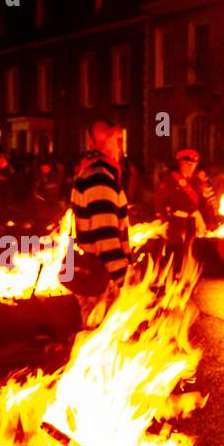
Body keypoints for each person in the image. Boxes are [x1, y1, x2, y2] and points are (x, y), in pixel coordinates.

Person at [70, 118, 133, 310]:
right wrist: (126, 282)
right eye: (105, 137)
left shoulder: (94, 173)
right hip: (103, 285)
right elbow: (105, 240)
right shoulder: (99, 177)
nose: (116, 146)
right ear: (91, 143)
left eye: (114, 138)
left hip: (98, 280)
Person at [155, 149, 213, 256]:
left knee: (190, 255)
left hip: (192, 224)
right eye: (188, 164)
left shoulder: (195, 182)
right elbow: (160, 203)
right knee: (176, 255)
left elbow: (202, 203)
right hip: (176, 224)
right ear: (181, 163)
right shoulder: (170, 180)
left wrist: (209, 222)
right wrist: (163, 222)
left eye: (194, 165)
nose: (191, 167)